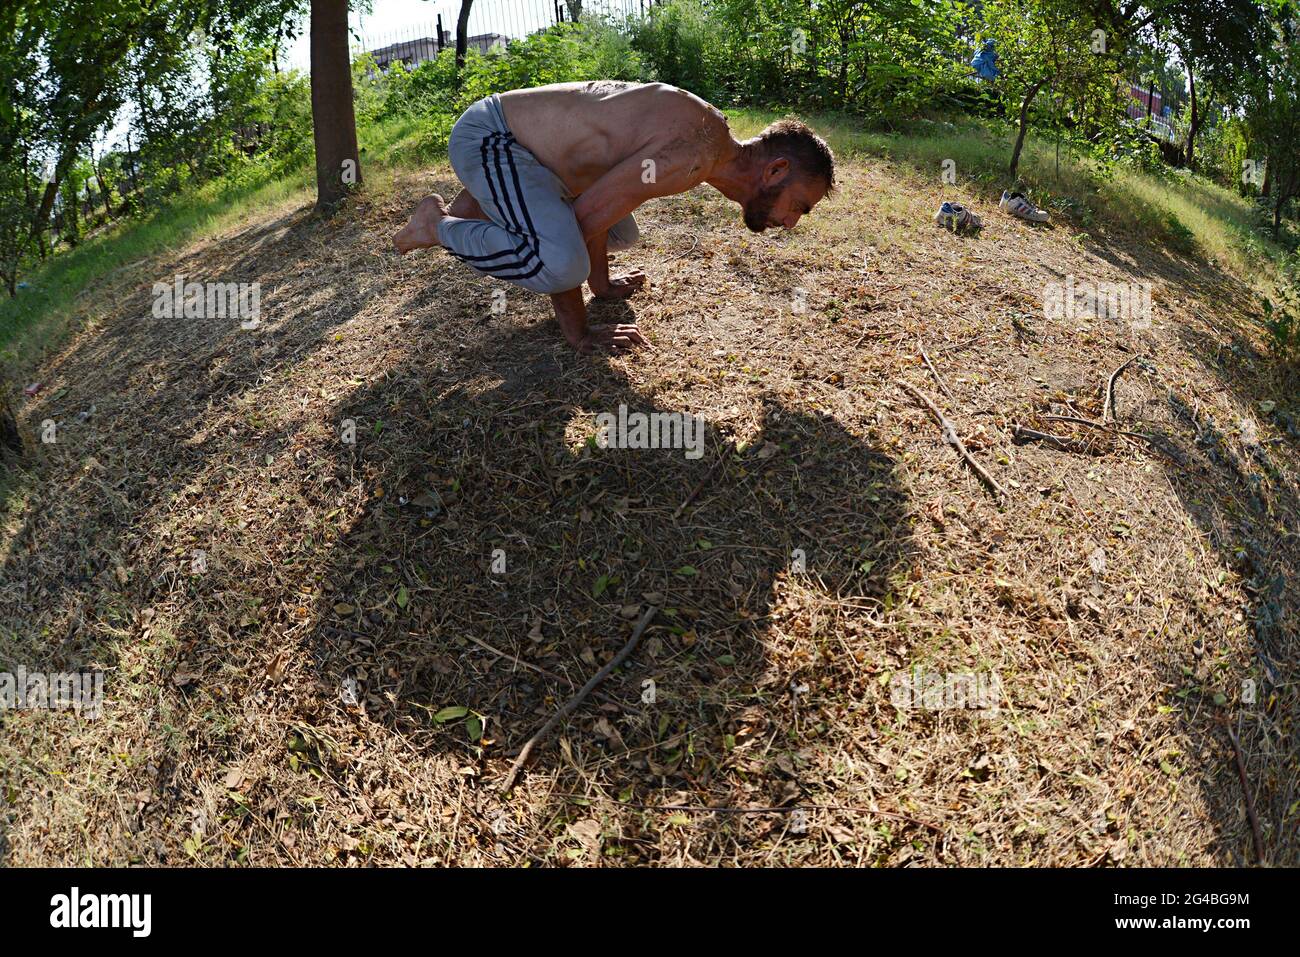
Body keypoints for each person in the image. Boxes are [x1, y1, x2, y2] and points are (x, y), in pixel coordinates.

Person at [393, 80, 835, 353]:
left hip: (537, 156)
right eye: (798, 206)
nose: (792, 222)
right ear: (775, 171)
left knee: (621, 231)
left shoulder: (709, 138)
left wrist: (600, 286)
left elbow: (606, 201)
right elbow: (583, 220)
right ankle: (438, 225)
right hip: (494, 138)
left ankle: (486, 203)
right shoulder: (692, 155)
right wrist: (580, 332)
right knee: (559, 260)